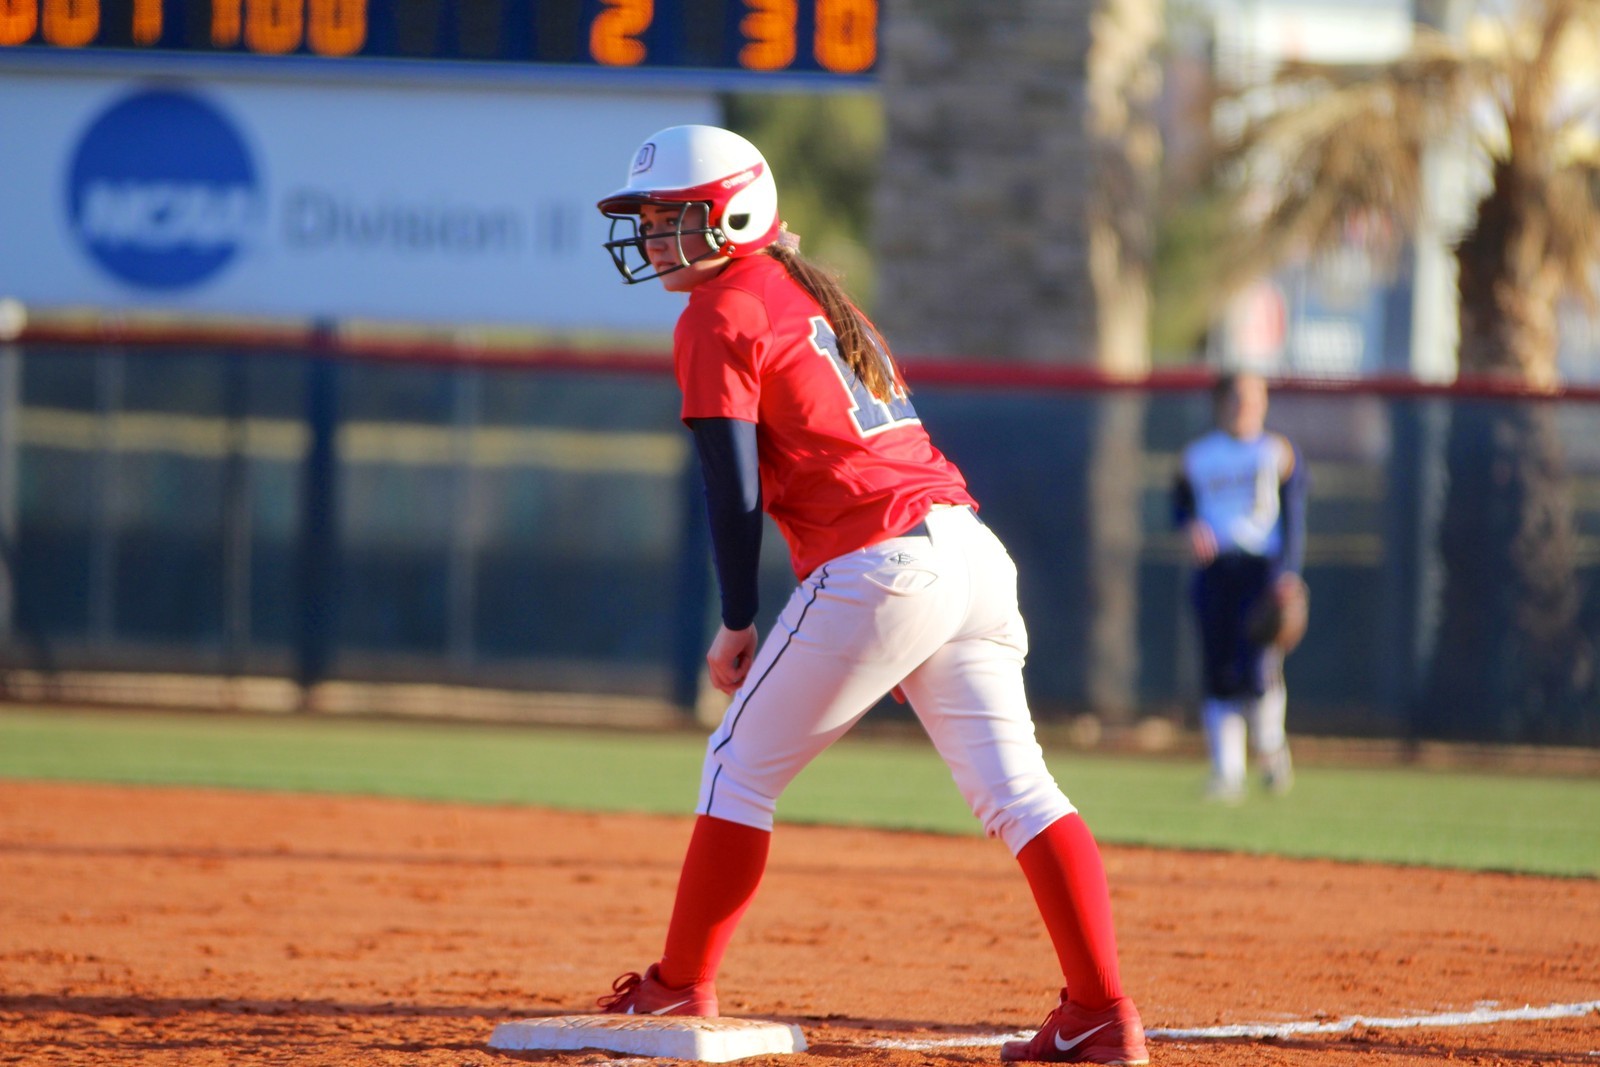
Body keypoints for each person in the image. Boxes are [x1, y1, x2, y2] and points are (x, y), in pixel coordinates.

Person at [590, 124, 1149, 1066]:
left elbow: (733, 491)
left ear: (733, 214)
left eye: (671, 217)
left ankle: (679, 984)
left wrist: (736, 623)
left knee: (736, 768)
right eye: (646, 219)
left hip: (882, 562)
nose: (653, 238)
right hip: (968, 550)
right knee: (1020, 792)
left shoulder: (719, 310)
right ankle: (1102, 1011)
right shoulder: (804, 287)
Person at [1172, 371, 1308, 803]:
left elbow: (1294, 514)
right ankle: (1227, 771)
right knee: (1219, 668)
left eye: (1254, 398)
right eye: (1237, 398)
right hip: (1215, 569)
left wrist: (1290, 572)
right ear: (1220, 403)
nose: (1245, 406)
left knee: (1259, 666)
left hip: (1262, 568)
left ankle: (1270, 747)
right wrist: (1190, 525)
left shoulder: (1276, 452)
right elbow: (1179, 504)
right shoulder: (1197, 456)